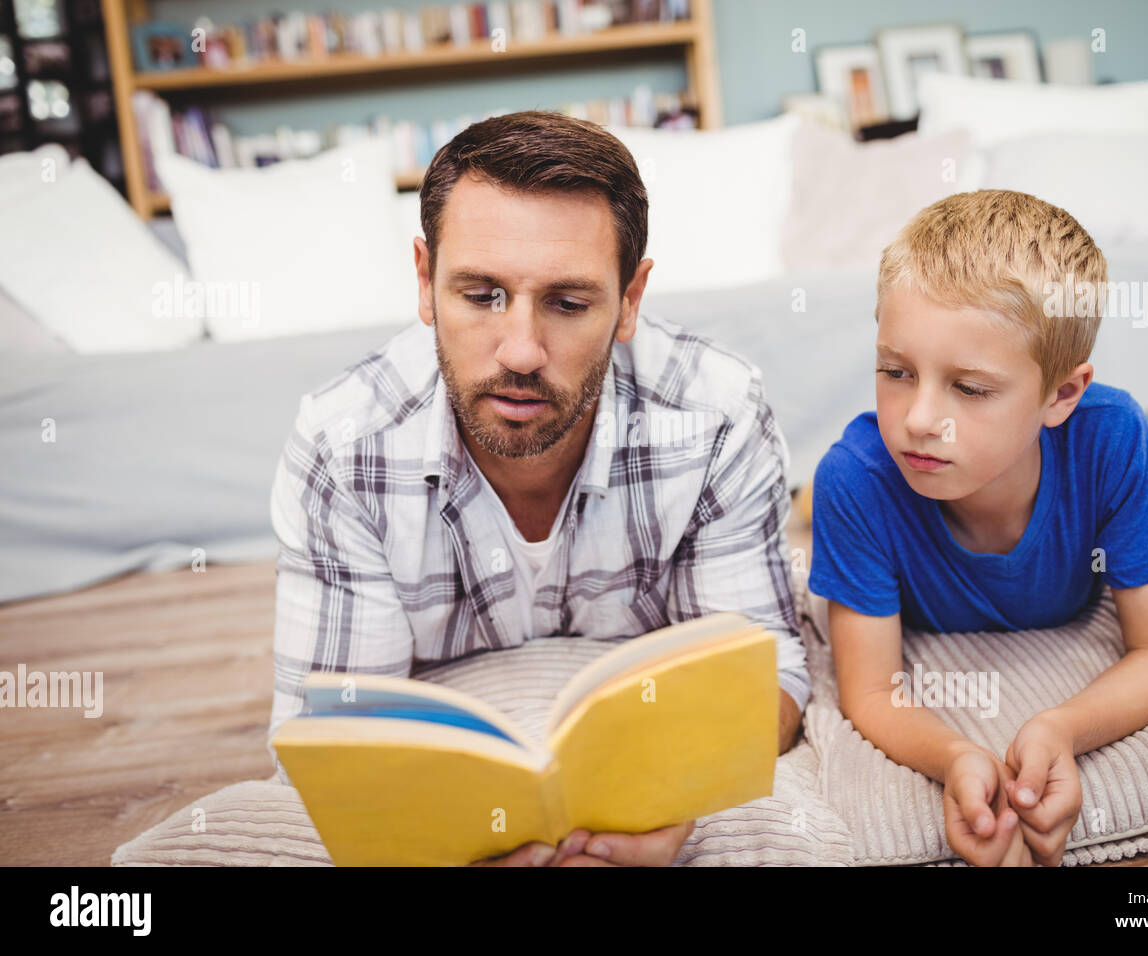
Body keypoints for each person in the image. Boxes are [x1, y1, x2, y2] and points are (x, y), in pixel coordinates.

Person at [267, 110, 809, 867]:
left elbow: (768, 667)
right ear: (424, 282)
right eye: (481, 294)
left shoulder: (717, 412)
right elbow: (330, 735)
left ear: (631, 298)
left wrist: (677, 796)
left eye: (568, 302)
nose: (521, 351)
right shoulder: (342, 447)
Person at [810, 189, 1148, 867]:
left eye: (970, 388)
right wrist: (957, 755)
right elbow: (871, 691)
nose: (919, 419)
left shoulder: (1111, 438)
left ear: (1061, 395)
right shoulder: (854, 479)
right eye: (896, 372)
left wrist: (1060, 729)